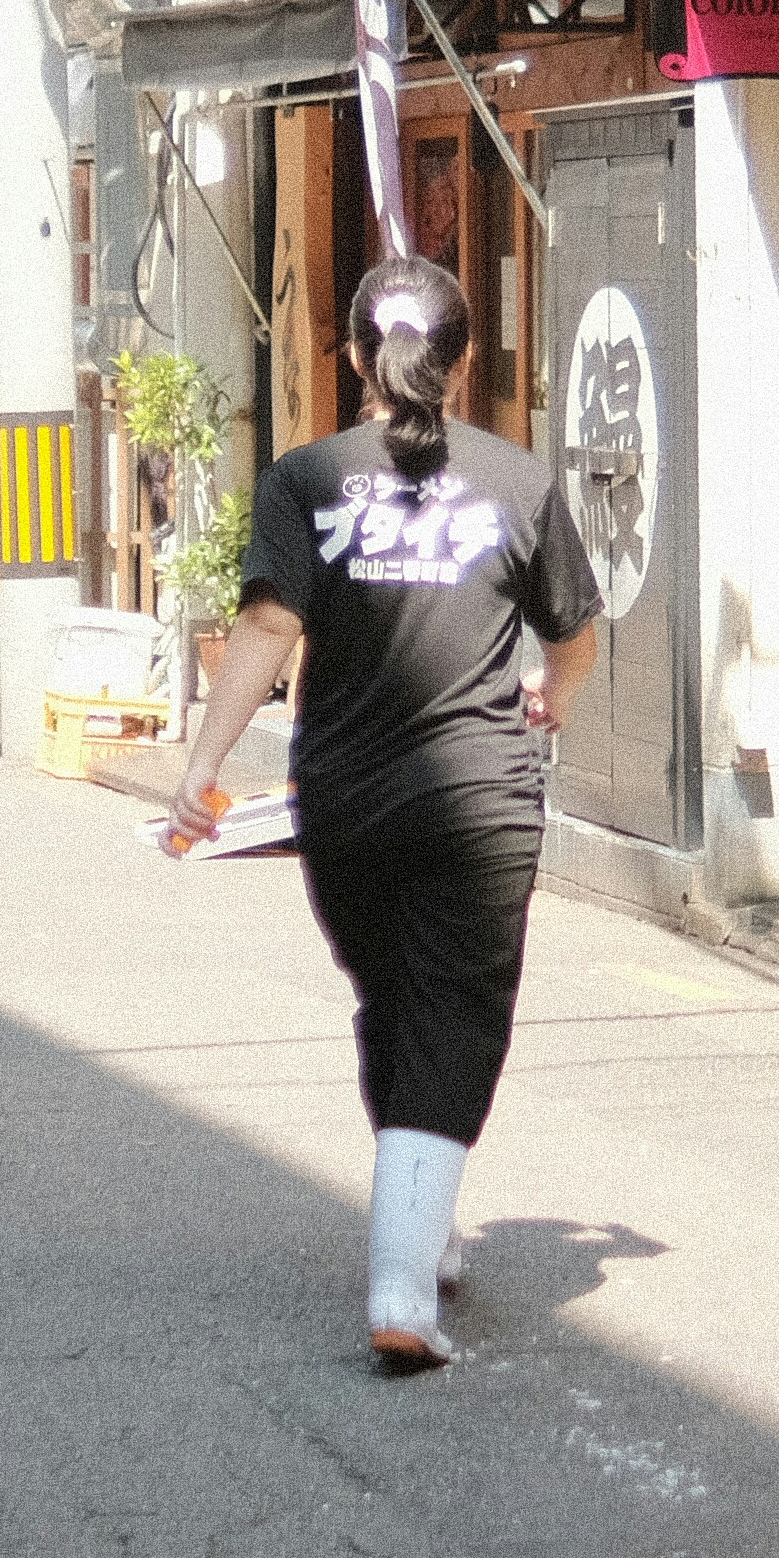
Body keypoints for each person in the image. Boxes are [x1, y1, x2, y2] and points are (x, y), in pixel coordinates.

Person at [155, 254, 598, 1372]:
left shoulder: (305, 478)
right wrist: (555, 693)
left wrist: (200, 771)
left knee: (393, 1006)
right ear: (463, 358)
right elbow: (576, 635)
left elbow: (263, 631)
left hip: (343, 804)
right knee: (453, 1019)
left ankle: (426, 1224)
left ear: (355, 355)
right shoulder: (516, 479)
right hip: (481, 802)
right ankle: (401, 1284)